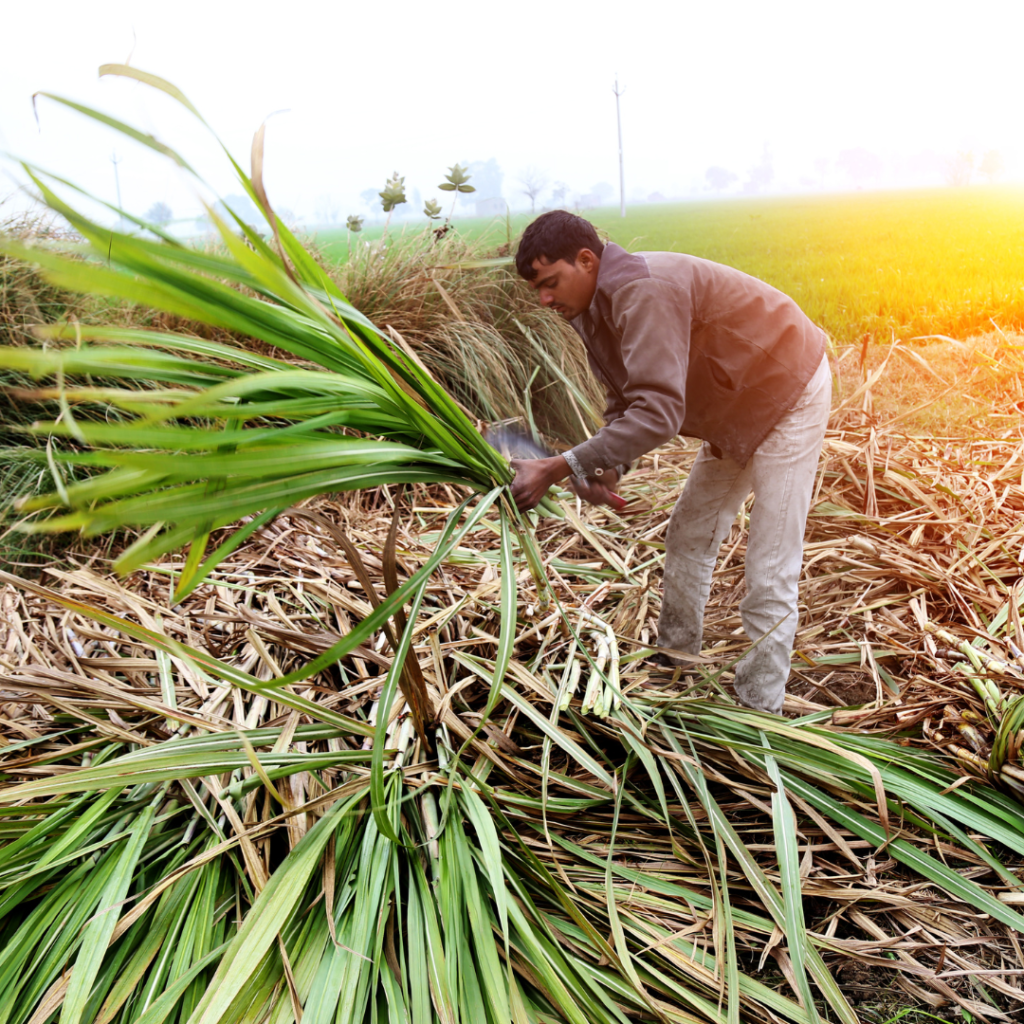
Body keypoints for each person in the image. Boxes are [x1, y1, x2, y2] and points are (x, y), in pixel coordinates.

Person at [510, 210, 831, 715]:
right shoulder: (591, 307)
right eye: (538, 290)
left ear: (587, 260)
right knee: (687, 534)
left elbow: (659, 414)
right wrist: (605, 467)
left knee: (769, 568)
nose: (545, 300)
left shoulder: (642, 290)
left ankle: (759, 710)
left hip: (786, 389)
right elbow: (626, 401)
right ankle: (677, 662)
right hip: (735, 405)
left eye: (551, 283)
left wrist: (561, 465)